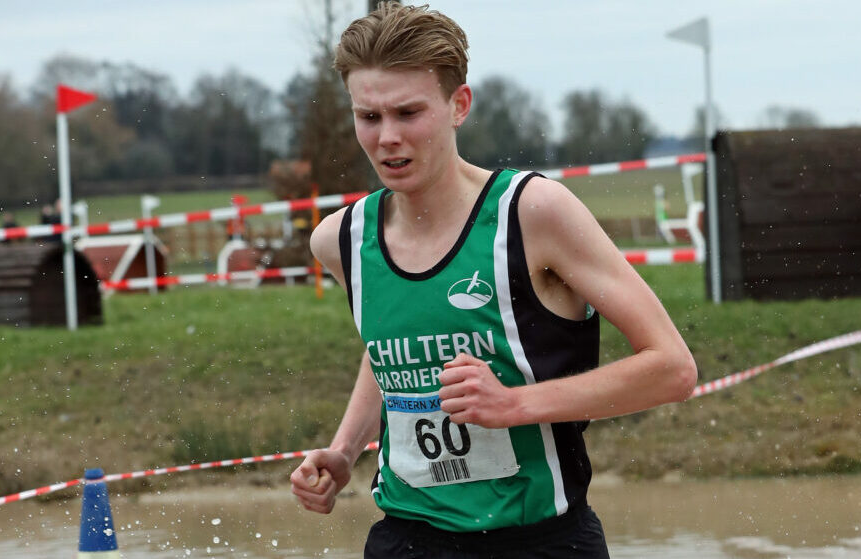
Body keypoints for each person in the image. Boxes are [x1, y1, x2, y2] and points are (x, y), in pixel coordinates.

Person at [289, 4, 698, 557]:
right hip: (406, 538)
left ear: (459, 105)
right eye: (369, 117)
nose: (387, 138)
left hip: (538, 540)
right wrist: (343, 452)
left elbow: (671, 369)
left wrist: (515, 404)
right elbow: (388, 349)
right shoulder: (338, 240)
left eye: (409, 113)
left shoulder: (534, 213)